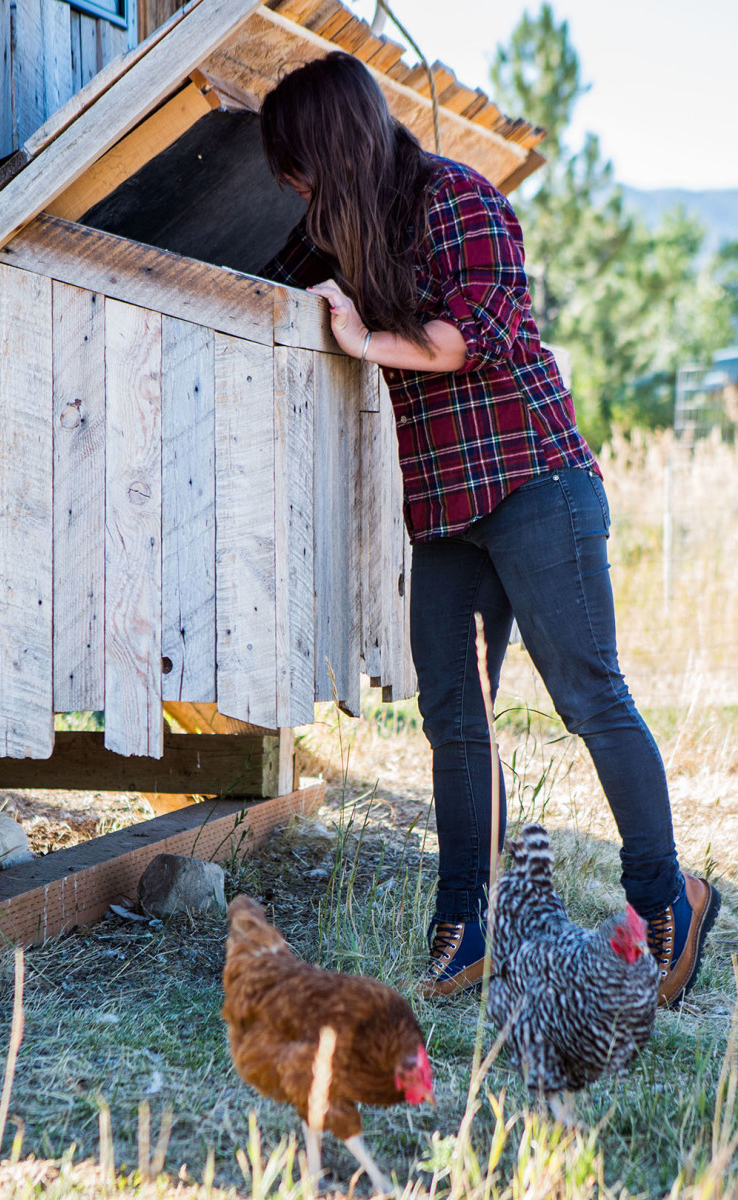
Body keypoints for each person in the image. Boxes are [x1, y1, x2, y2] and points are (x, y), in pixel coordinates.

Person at [258, 51, 720, 1005]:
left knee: (590, 698)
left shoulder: (457, 200)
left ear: (330, 148)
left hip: (536, 485)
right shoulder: (340, 229)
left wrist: (362, 339)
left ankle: (668, 897)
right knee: (453, 722)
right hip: (449, 514)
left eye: (297, 168)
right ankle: (467, 925)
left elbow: (469, 337)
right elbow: (258, 278)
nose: (293, 191)